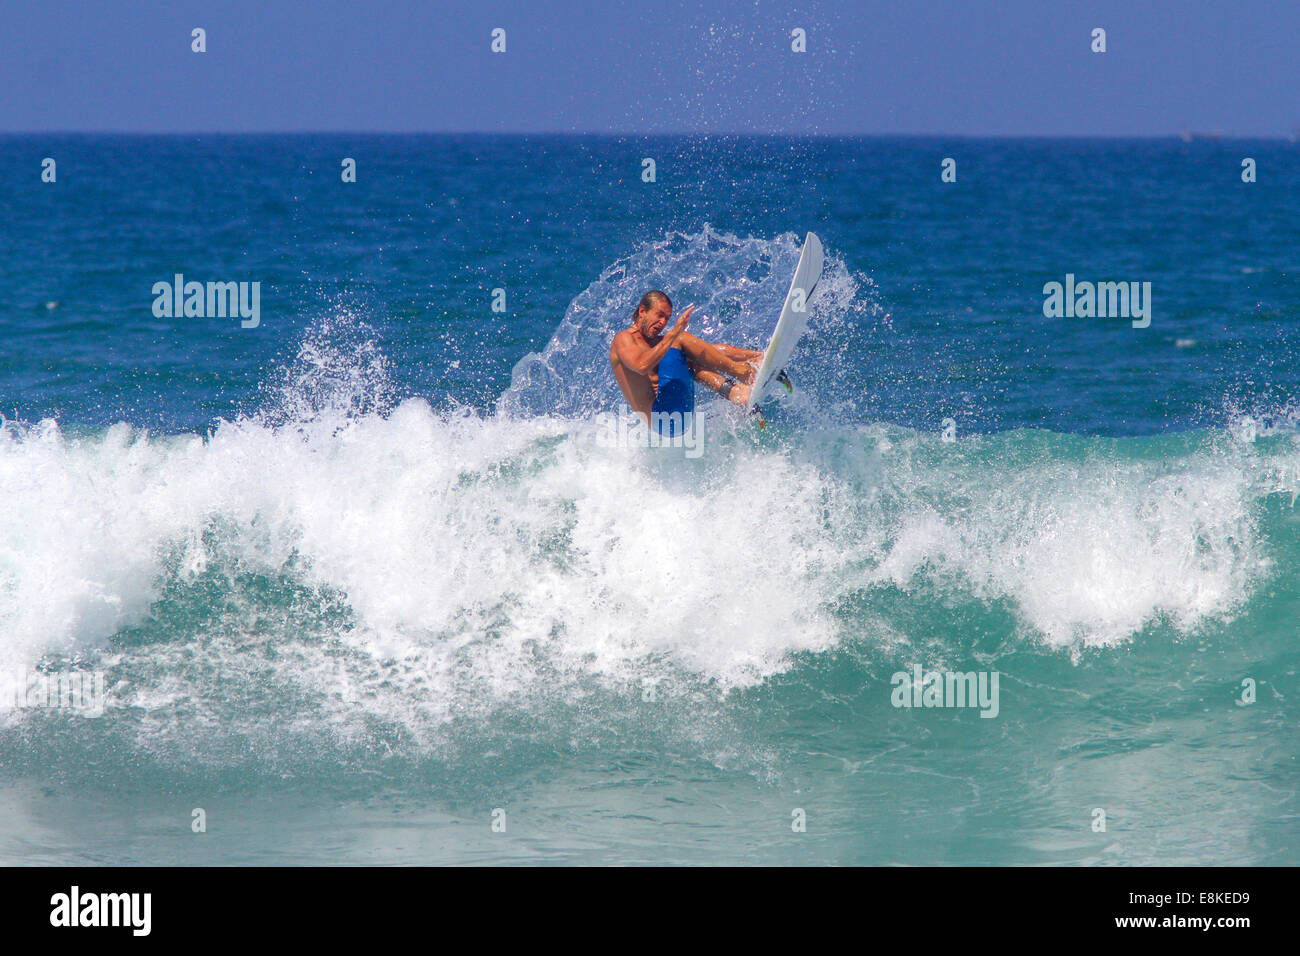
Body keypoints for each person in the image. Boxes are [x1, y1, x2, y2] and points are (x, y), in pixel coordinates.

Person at [608, 290, 763, 432]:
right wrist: (675, 332)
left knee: (692, 354)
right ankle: (743, 372)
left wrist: (756, 356)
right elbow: (641, 366)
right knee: (680, 339)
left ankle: (741, 382)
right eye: (659, 315)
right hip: (662, 416)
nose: (663, 322)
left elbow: (708, 352)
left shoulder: (657, 345)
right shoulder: (624, 339)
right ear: (642, 311)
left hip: (677, 419)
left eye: (667, 319)